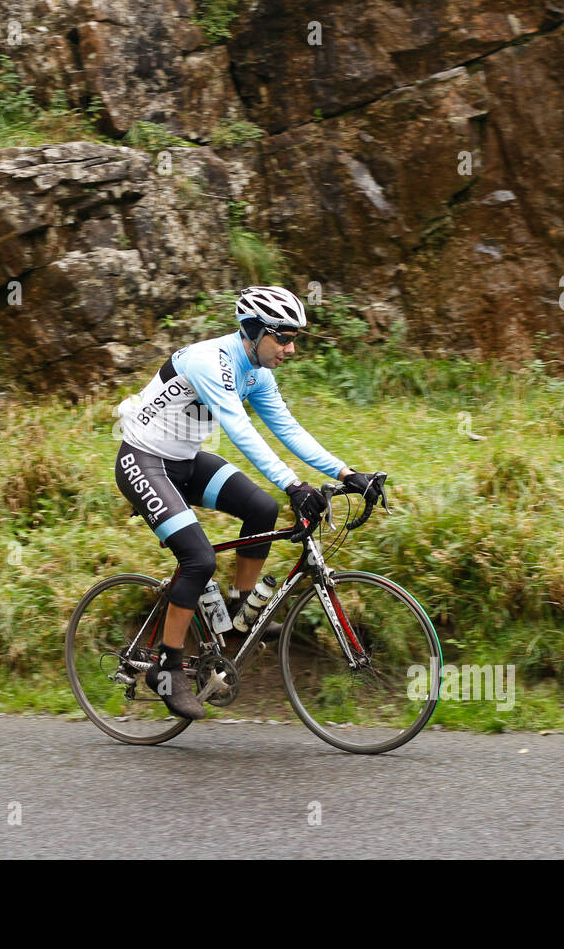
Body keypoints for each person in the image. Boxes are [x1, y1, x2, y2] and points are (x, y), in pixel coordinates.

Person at [113, 285, 383, 720]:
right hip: (143, 463)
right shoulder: (209, 362)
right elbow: (240, 431)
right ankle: (166, 668)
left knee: (262, 508)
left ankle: (240, 607)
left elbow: (289, 430)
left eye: (295, 338)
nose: (291, 348)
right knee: (198, 559)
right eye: (283, 337)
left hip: (183, 461)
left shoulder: (257, 373)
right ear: (254, 331)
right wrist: (294, 484)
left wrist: (347, 473)